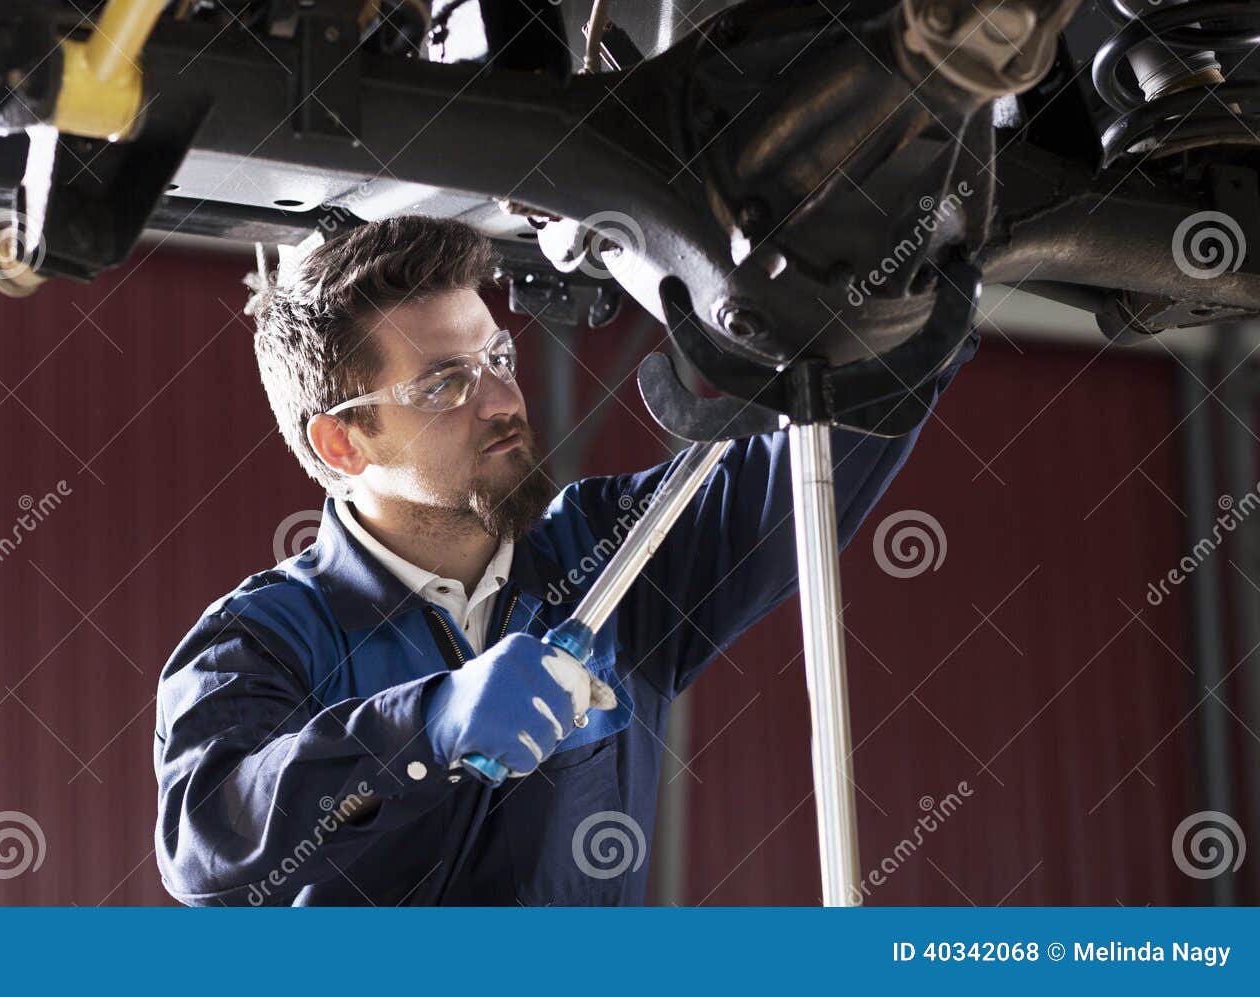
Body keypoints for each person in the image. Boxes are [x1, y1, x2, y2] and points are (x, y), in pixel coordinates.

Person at [153, 216, 974, 905]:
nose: (503, 402)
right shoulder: (262, 638)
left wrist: (915, 288)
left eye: (498, 360)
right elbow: (205, 836)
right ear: (341, 441)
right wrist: (428, 727)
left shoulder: (614, 550)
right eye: (444, 385)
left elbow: (825, 449)